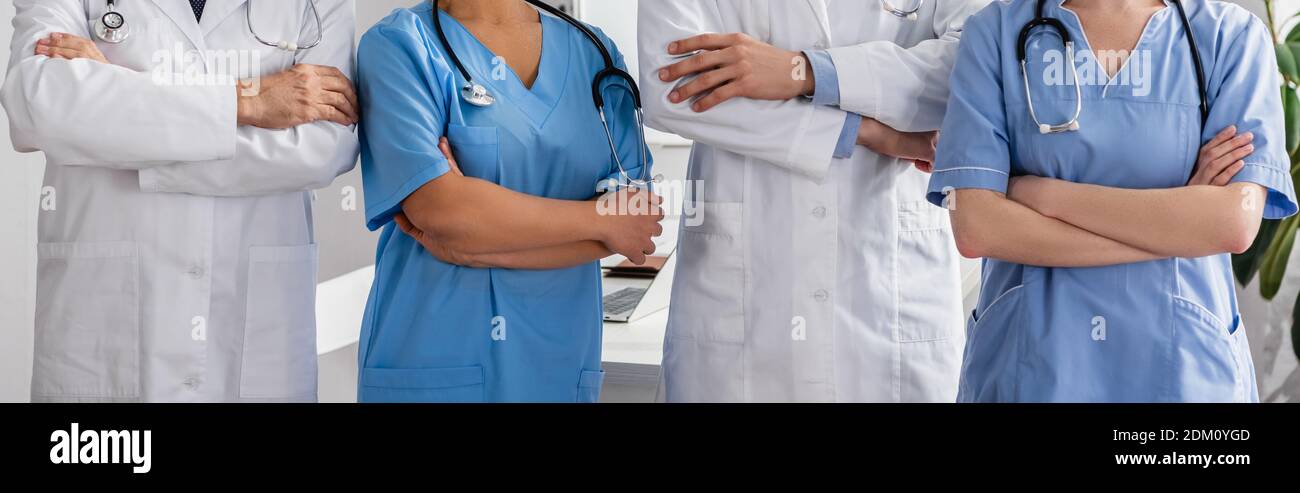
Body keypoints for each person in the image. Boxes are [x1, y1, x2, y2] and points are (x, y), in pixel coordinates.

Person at [928, 0, 1296, 402]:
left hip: (1186, 372)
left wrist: (1043, 195)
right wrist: (1179, 226)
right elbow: (978, 228)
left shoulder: (1231, 37)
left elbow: (1232, 225)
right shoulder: (994, 32)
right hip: (1033, 367)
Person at [1, 0, 360, 402]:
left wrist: (117, 109)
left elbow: (323, 146)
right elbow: (40, 105)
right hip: (105, 337)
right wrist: (245, 100)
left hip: (255, 345)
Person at [639, 0, 991, 402]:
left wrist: (807, 72)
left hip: (887, 280)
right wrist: (861, 130)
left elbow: (974, 65)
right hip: (746, 301)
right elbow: (672, 87)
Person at [355, 0, 661, 403]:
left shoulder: (594, 51)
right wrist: (600, 220)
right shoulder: (400, 45)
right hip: (435, 355)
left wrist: (473, 248)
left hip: (559, 362)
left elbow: (635, 226)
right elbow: (441, 212)